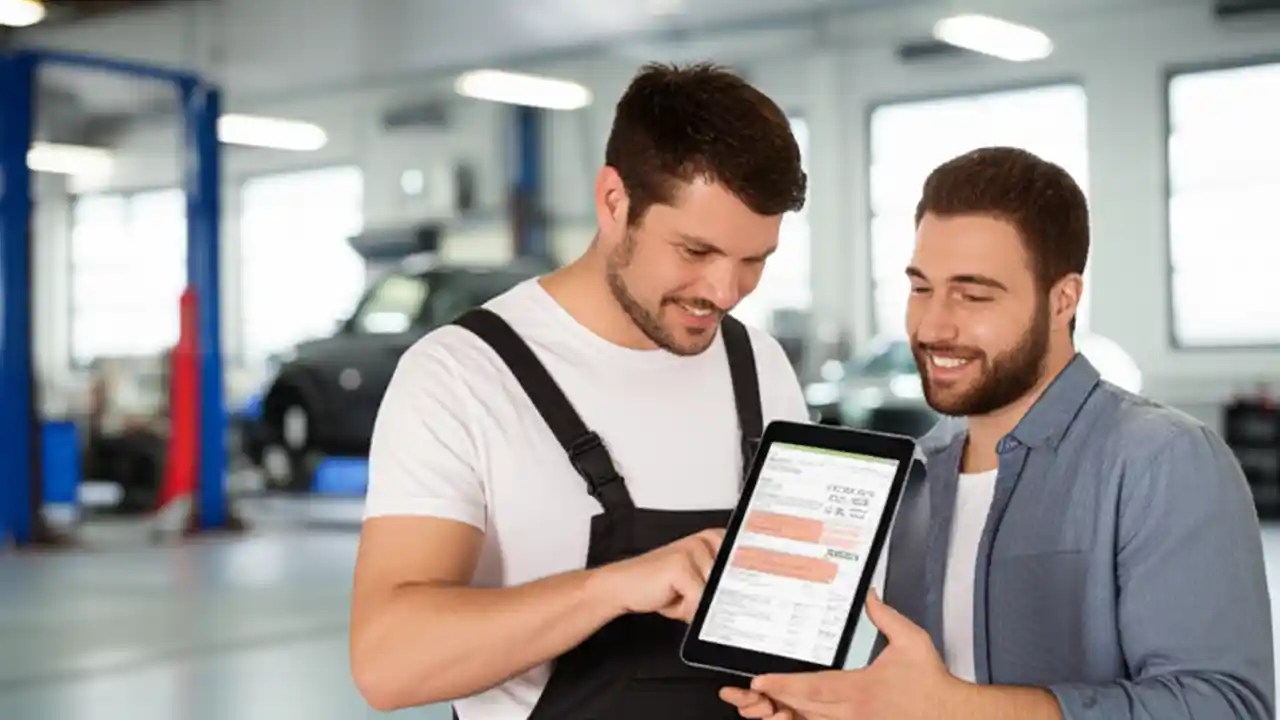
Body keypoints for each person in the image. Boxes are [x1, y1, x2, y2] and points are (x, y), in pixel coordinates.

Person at [721, 146, 1275, 719]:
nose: (933, 325)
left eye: (974, 295)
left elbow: (1227, 707)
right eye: (921, 289)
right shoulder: (914, 475)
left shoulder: (1163, 462)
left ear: (1063, 300)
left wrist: (956, 708)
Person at [349, 62, 811, 720]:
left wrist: (796, 696)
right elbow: (387, 664)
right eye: (695, 251)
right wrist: (614, 589)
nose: (725, 291)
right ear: (614, 201)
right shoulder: (461, 376)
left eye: (754, 261)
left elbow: (788, 627)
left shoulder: (760, 368)